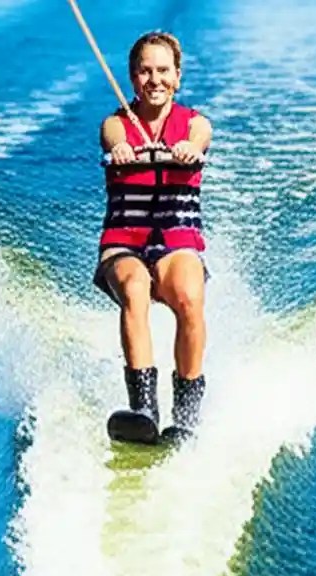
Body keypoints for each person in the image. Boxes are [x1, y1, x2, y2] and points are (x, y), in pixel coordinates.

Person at [94, 31, 212, 442]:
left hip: (176, 240)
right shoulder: (116, 124)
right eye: (145, 71)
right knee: (136, 286)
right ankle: (144, 408)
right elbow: (113, 137)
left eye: (163, 71)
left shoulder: (195, 125)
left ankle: (187, 415)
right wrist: (124, 149)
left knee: (189, 295)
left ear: (177, 77)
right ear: (132, 78)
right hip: (124, 244)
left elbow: (200, 138)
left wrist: (189, 149)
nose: (155, 79)